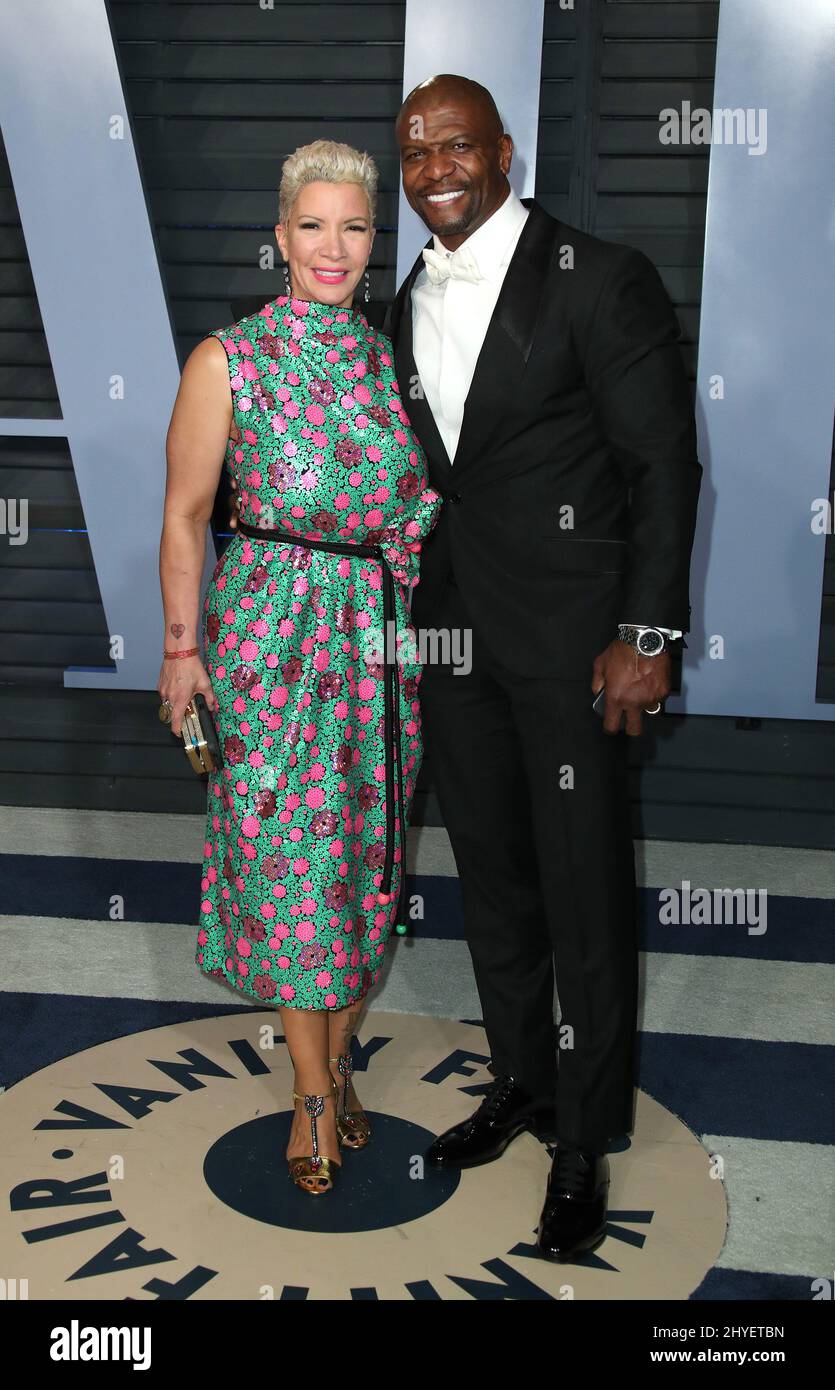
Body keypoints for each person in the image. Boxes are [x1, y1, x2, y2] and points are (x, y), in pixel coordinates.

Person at [388, 75, 702, 1260]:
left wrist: (650, 634)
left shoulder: (599, 276)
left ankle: (585, 1130)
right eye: (415, 153)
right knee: (495, 872)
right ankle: (519, 1077)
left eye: (456, 145)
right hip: (452, 634)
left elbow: (664, 467)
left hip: (579, 644)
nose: (436, 168)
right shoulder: (404, 294)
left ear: (504, 151)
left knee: (579, 887)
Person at [158, 139, 442, 1196]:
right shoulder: (227, 361)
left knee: (365, 866)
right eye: (312, 225)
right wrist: (182, 650)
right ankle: (314, 1095)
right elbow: (186, 518)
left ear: (376, 242)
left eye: (355, 226)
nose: (333, 246)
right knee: (289, 866)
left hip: (375, 642)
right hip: (266, 643)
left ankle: (333, 1058)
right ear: (280, 239)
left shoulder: (386, 364)